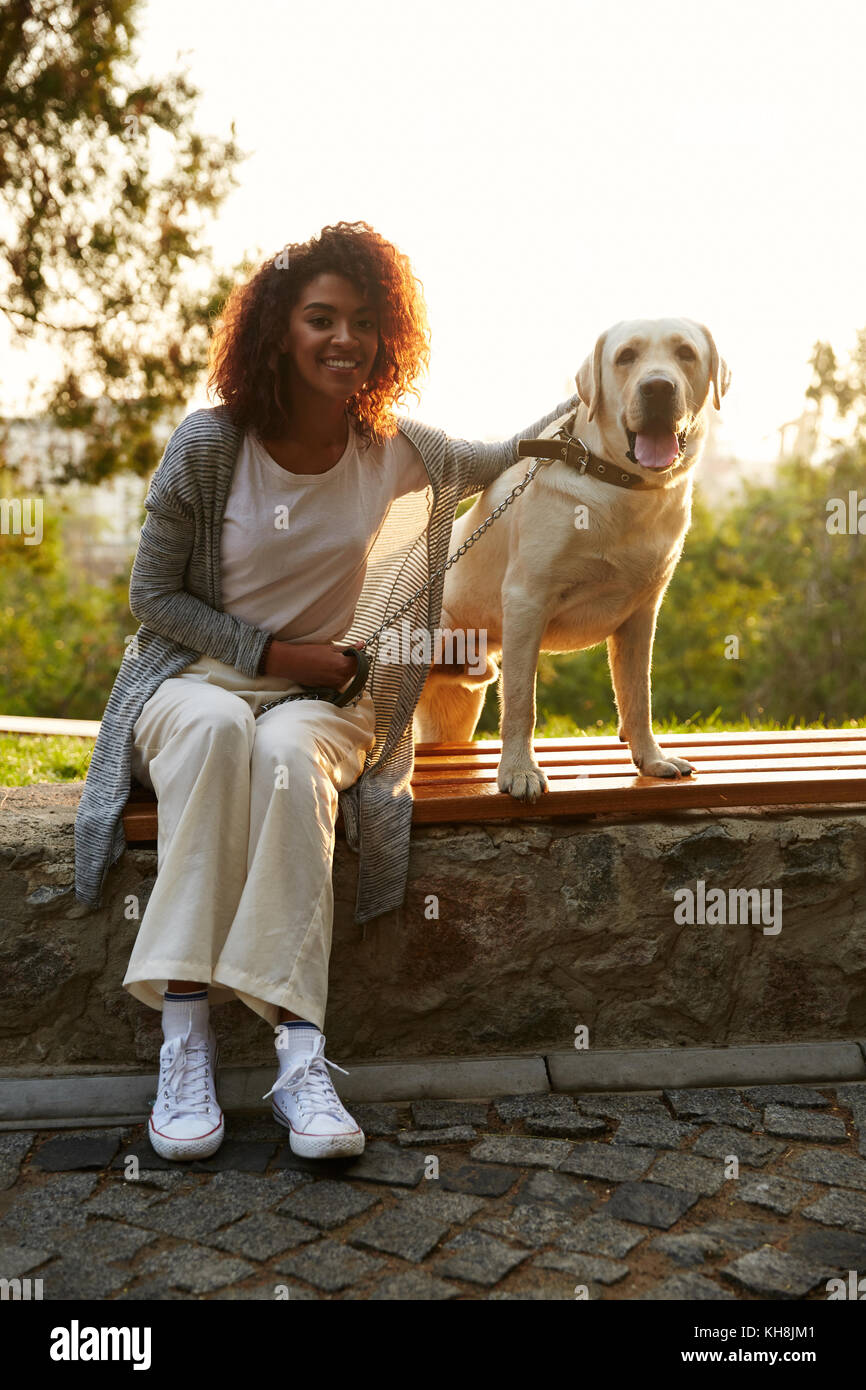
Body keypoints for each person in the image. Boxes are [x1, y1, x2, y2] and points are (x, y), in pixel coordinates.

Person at [72, 220, 580, 1163]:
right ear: (278, 331)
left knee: (287, 758)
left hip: (322, 704)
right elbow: (153, 598)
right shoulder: (210, 446)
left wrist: (601, 402)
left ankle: (301, 1058)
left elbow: (510, 452)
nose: (344, 338)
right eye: (320, 318)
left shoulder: (395, 450)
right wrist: (274, 651)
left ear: (387, 338)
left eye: (363, 322)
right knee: (224, 730)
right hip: (197, 680)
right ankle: (184, 1042)